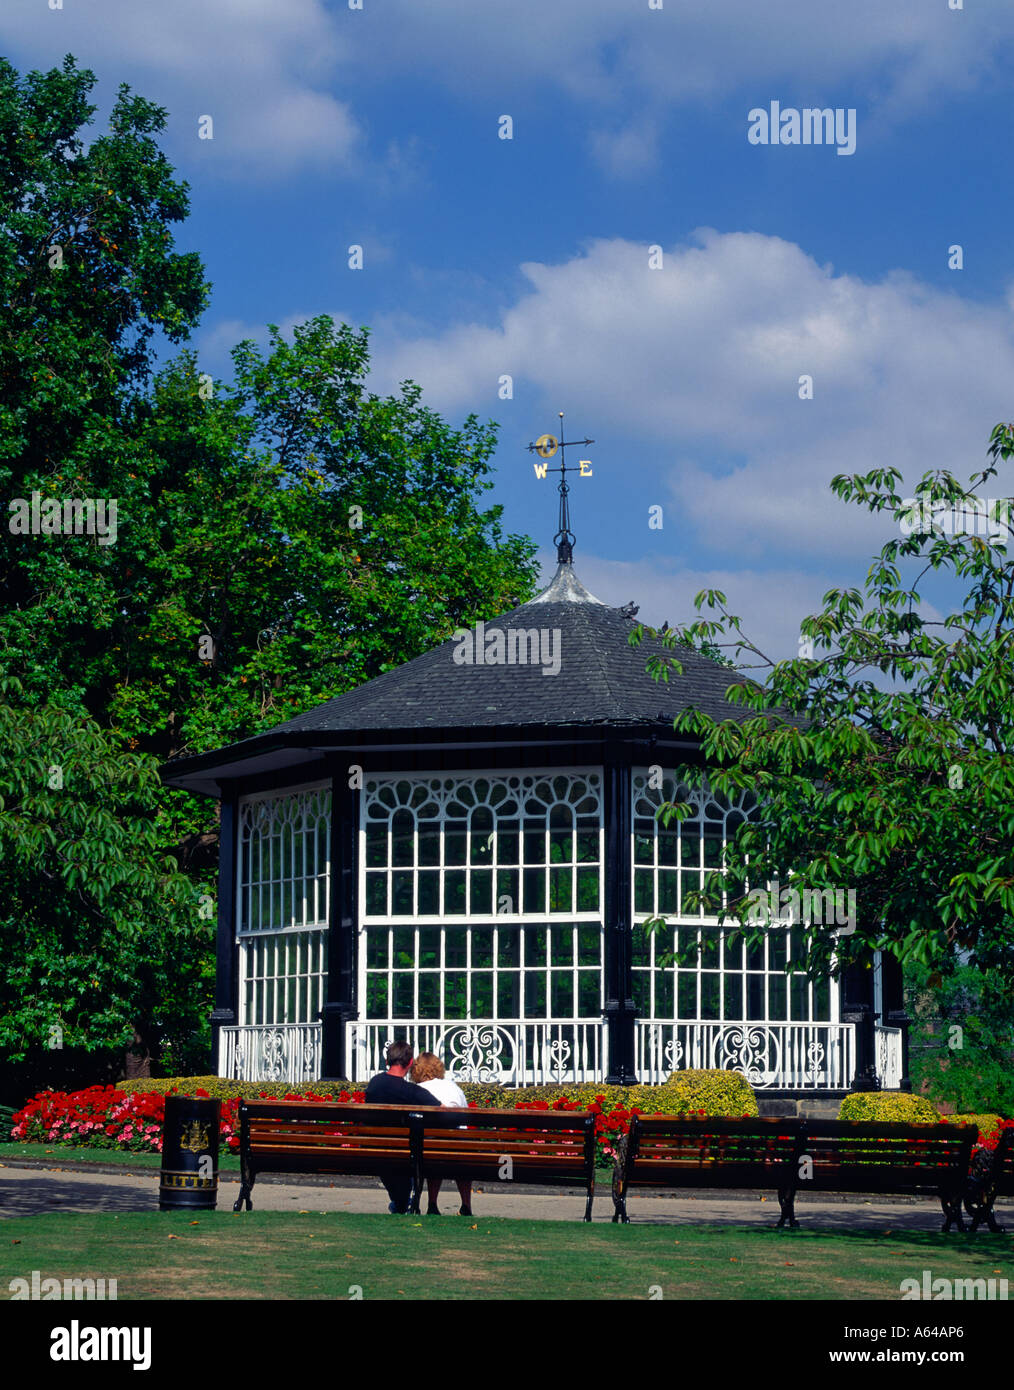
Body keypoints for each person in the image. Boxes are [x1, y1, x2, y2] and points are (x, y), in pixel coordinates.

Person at [364, 1040, 438, 1213]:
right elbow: (439, 1109)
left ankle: (400, 1203)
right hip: (404, 1152)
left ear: (387, 1061)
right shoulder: (411, 1091)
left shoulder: (374, 1084)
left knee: (391, 1165)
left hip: (373, 1147)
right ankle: (404, 1202)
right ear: (410, 1063)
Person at [408, 1051, 473, 1217]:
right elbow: (465, 1118)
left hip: (429, 1147)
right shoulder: (453, 1087)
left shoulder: (417, 1090)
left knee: (431, 1152)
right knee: (458, 1156)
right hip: (458, 1145)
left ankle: (432, 1203)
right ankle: (466, 1204)